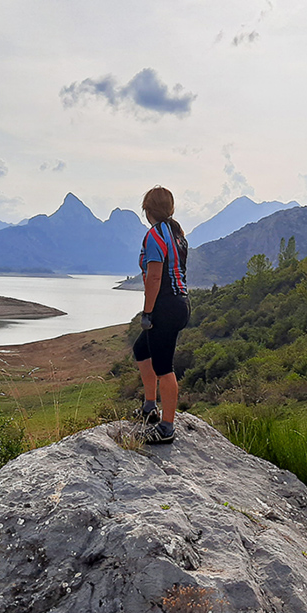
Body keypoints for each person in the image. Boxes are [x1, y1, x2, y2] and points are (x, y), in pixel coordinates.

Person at [133, 186, 190, 444]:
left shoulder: (155, 235)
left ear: (148, 209)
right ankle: (149, 407)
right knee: (142, 351)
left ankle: (167, 427)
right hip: (180, 303)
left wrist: (147, 312)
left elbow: (154, 277)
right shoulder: (178, 234)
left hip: (165, 307)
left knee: (164, 367)